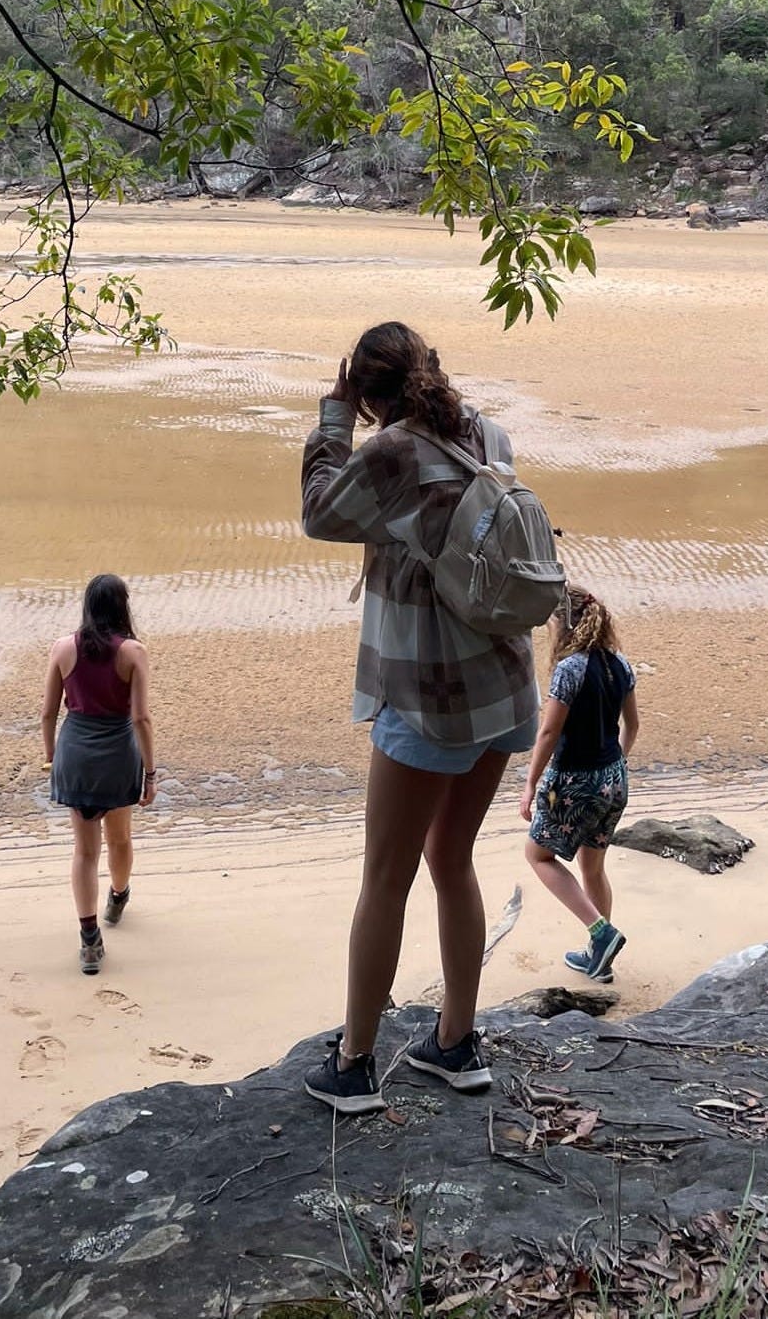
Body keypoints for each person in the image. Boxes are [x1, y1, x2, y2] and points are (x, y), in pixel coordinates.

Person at [300, 321, 541, 1114]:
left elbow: (320, 513)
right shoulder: (489, 432)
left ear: (367, 392)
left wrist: (333, 422)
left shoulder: (393, 451)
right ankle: (455, 1041)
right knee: (452, 857)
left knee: (385, 876)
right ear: (431, 368)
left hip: (428, 696)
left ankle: (355, 1062)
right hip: (505, 686)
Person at [520, 585, 639, 982]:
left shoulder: (569, 669)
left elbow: (549, 732)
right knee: (593, 866)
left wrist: (530, 784)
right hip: (614, 779)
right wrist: (615, 766)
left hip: (574, 777)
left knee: (538, 855)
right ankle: (599, 958)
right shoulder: (619, 663)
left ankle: (601, 934)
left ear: (563, 624)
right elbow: (632, 726)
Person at [42, 575, 157, 975]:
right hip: (116, 755)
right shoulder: (134, 652)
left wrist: (53, 757)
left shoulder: (61, 649)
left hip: (74, 754)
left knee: (84, 851)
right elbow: (141, 718)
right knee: (120, 838)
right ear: (123, 606)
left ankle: (89, 939)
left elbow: (47, 713)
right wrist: (151, 771)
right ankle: (118, 896)